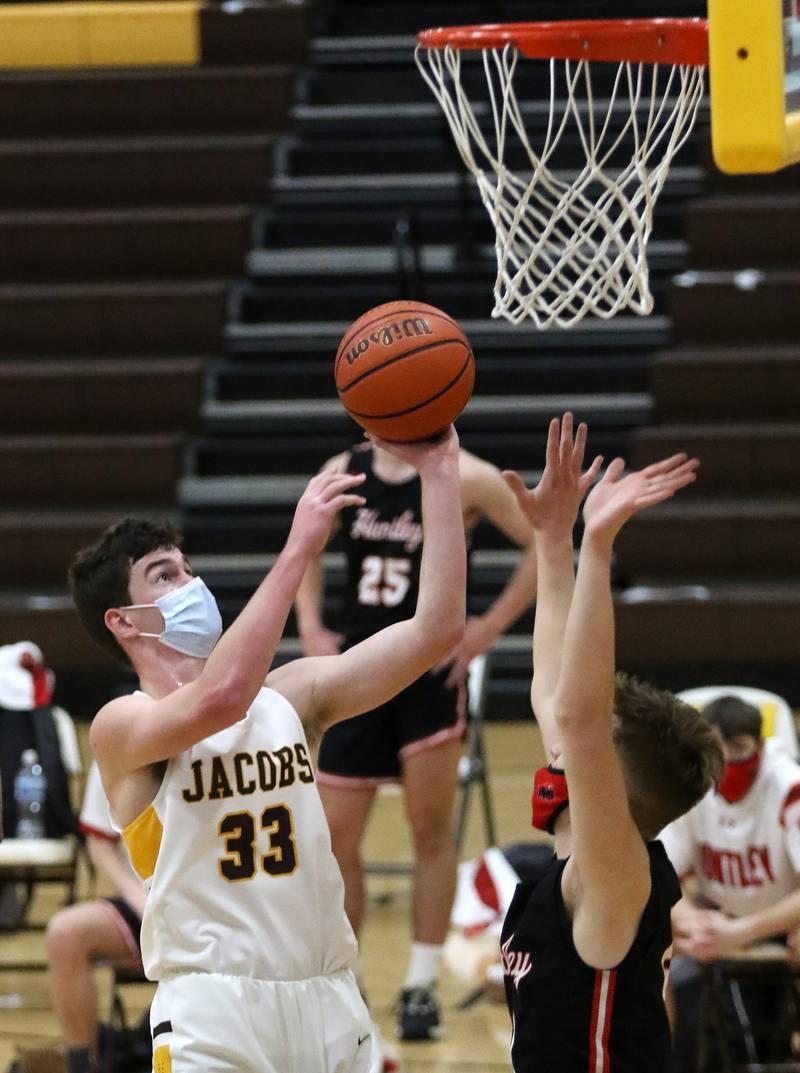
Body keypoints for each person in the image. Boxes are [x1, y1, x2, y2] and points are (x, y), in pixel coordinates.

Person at [67, 430, 464, 1073]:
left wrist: (440, 473)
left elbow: (435, 629)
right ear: (124, 619)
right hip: (210, 1006)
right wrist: (300, 546)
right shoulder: (122, 725)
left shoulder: (293, 696)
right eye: (164, 575)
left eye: (189, 568)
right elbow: (221, 696)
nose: (190, 583)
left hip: (330, 995)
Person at [498, 413, 723, 1073]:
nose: (565, 738)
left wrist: (596, 548)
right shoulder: (585, 858)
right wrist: (551, 538)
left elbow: (577, 710)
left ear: (610, 786)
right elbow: (555, 687)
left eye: (588, 743)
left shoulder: (619, 879)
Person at [294, 437, 537, 1041]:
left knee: (430, 830)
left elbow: (547, 542)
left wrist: (490, 627)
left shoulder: (470, 476)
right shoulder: (341, 469)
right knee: (334, 837)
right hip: (357, 671)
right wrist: (311, 627)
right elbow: (305, 548)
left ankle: (421, 986)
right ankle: (342, 981)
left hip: (428, 677)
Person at [660, 694, 800, 1071]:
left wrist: (740, 931)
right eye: (717, 751)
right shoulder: (691, 786)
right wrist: (690, 919)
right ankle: (661, 1061)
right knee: (643, 940)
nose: (727, 763)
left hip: (781, 920)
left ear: (760, 746)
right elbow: (660, 877)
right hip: (716, 915)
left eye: (737, 750)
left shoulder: (789, 786)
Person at [45, 762, 148, 1073]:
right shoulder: (118, 739)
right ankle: (84, 1065)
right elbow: (98, 841)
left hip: (220, 905)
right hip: (149, 900)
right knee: (65, 934)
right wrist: (137, 896)